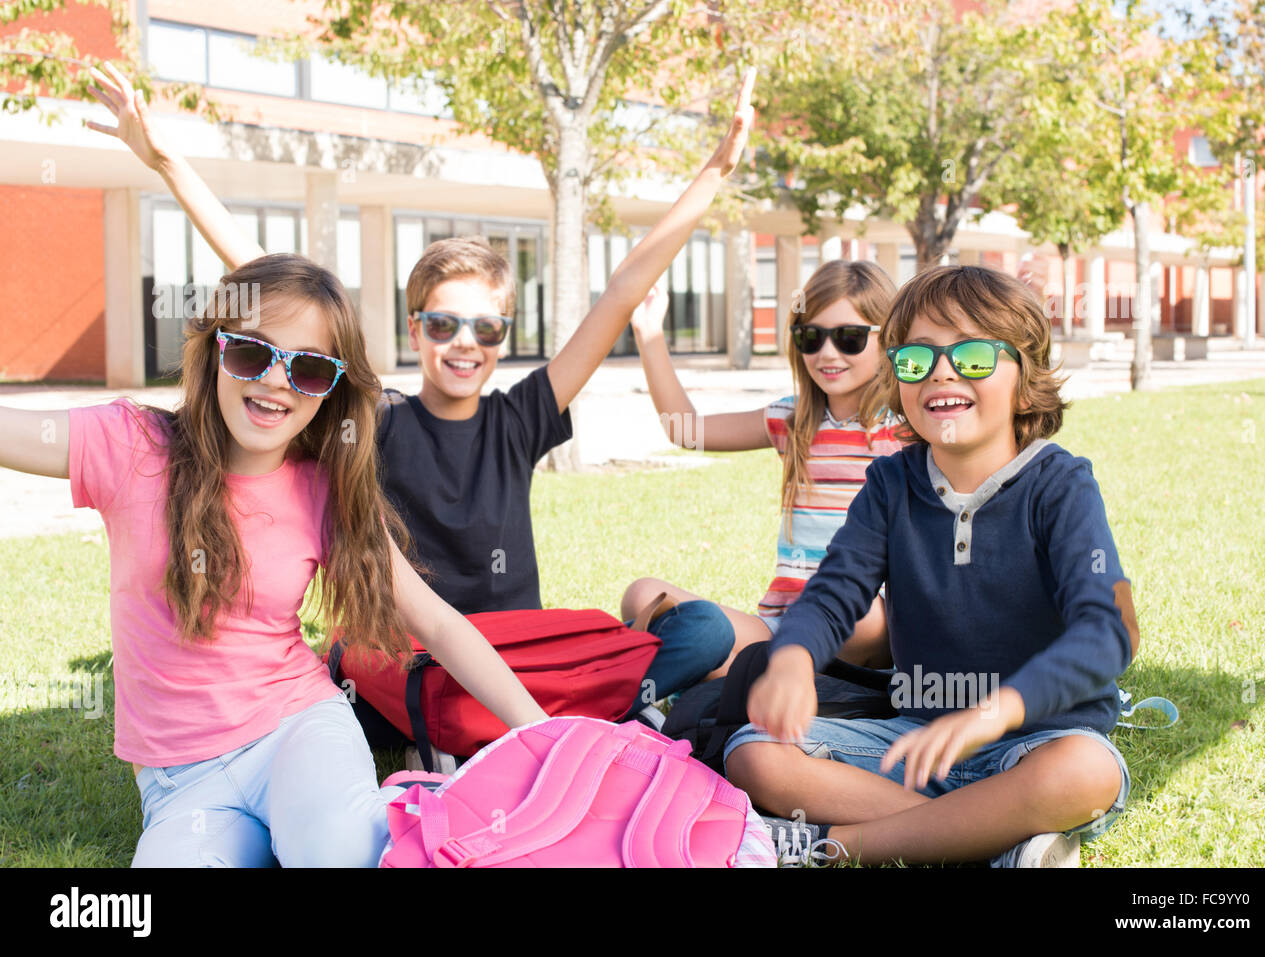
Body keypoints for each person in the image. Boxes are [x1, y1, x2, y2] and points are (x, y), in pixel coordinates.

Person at [85, 63, 758, 707]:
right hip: (410, 660)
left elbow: (619, 294)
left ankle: (515, 718)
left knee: (707, 630)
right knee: (342, 675)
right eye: (443, 323)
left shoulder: (521, 416)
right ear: (415, 330)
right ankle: (536, 717)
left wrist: (714, 172)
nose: (464, 341)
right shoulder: (377, 415)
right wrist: (167, 162)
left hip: (510, 660)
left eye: (486, 328)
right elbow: (260, 270)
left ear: (502, 338)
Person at [0, 254, 547, 866]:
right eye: (251, 354)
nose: (275, 382)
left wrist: (544, 734)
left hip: (298, 732)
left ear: (331, 386)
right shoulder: (130, 446)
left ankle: (389, 809)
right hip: (182, 782)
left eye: (309, 368)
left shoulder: (326, 491)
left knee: (337, 855)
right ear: (215, 350)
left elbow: (439, 623)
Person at [727, 265, 1140, 867]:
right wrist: (791, 660)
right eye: (917, 360)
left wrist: (993, 713)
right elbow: (836, 592)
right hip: (917, 740)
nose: (942, 371)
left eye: (972, 356)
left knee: (1086, 772)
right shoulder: (891, 484)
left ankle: (836, 845)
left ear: (1026, 382)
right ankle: (993, 834)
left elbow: (1109, 632)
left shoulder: (1060, 484)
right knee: (753, 753)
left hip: (1040, 740)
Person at [620, 259, 902, 680]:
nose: (827, 353)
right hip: (779, 627)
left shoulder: (906, 426)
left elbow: (1003, 419)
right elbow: (686, 430)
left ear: (889, 341)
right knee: (644, 597)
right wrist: (649, 334)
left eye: (849, 338)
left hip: (858, 627)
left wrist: (1040, 329)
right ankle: (753, 674)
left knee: (863, 617)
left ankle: (735, 674)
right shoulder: (791, 421)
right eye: (811, 337)